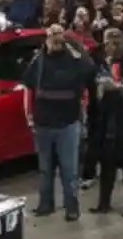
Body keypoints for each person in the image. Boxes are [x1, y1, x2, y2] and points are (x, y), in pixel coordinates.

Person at [24, 24, 95, 222]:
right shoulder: (39, 60)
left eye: (58, 36)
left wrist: (75, 47)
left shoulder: (74, 59)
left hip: (68, 124)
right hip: (44, 123)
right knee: (45, 169)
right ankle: (45, 205)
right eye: (52, 37)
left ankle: (72, 207)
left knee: (69, 170)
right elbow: (27, 82)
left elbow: (89, 70)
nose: (55, 41)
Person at [89, 28, 123, 218]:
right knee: (106, 166)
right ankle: (104, 203)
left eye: (115, 42)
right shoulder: (100, 63)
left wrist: (115, 87)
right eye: (108, 42)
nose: (111, 46)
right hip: (105, 121)